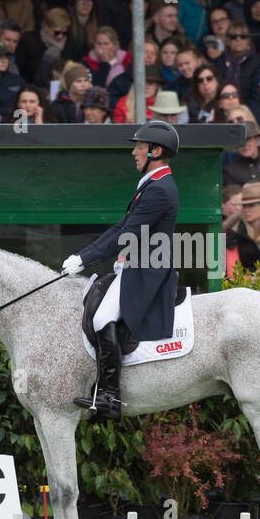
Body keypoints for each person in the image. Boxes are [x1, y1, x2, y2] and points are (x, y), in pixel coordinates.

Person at [62, 121, 181, 420]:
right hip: (134, 265)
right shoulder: (153, 184)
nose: (134, 152)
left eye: (139, 147)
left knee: (102, 318)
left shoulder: (159, 190)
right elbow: (121, 228)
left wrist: (84, 259)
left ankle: (109, 396)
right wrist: (83, 255)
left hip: (146, 271)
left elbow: (128, 233)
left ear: (156, 151)